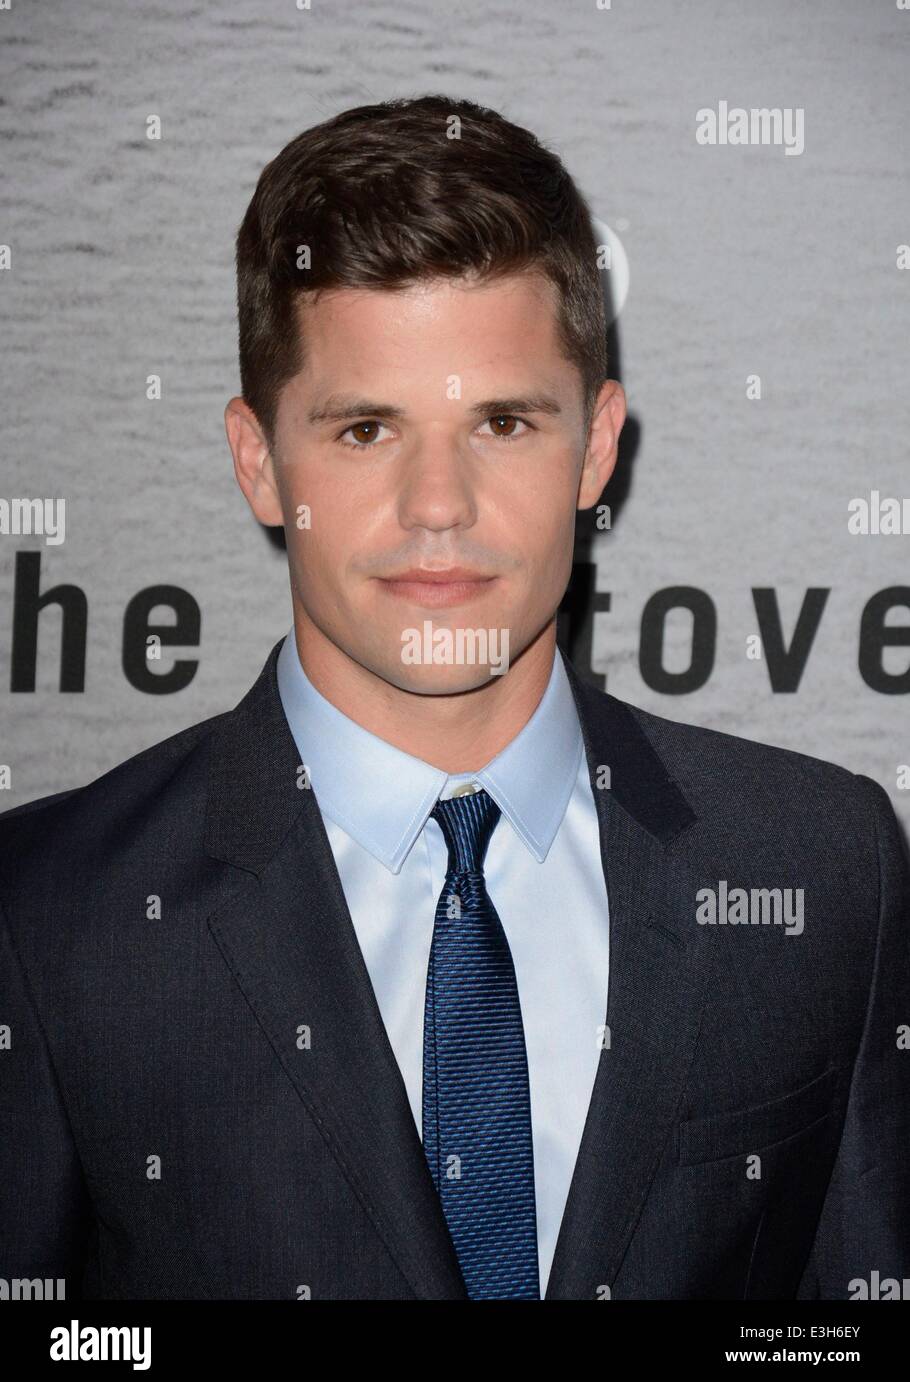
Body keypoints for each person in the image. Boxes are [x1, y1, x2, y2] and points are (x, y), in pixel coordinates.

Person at [1, 94, 907, 1301]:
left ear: (593, 451)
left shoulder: (821, 865)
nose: (440, 504)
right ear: (259, 462)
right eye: (367, 427)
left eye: (503, 421)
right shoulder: (51, 918)